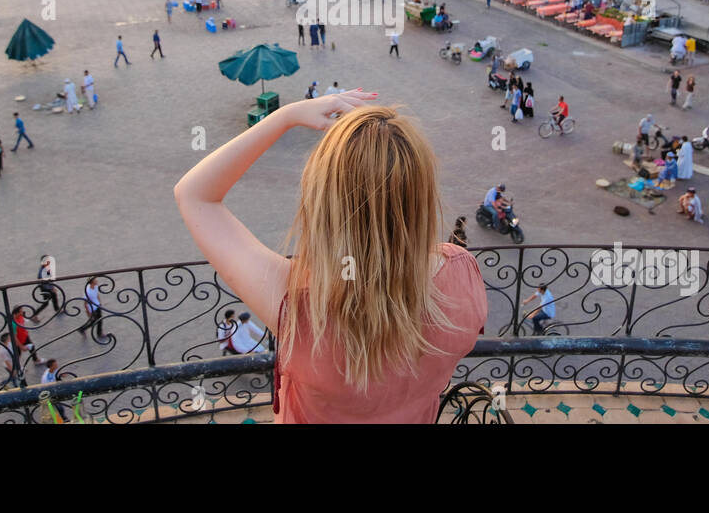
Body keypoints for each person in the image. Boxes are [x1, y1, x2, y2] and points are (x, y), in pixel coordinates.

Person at [173, 93, 486, 423]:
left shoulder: (300, 305)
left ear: (320, 202)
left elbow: (195, 195)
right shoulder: (460, 273)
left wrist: (285, 116)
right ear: (422, 195)